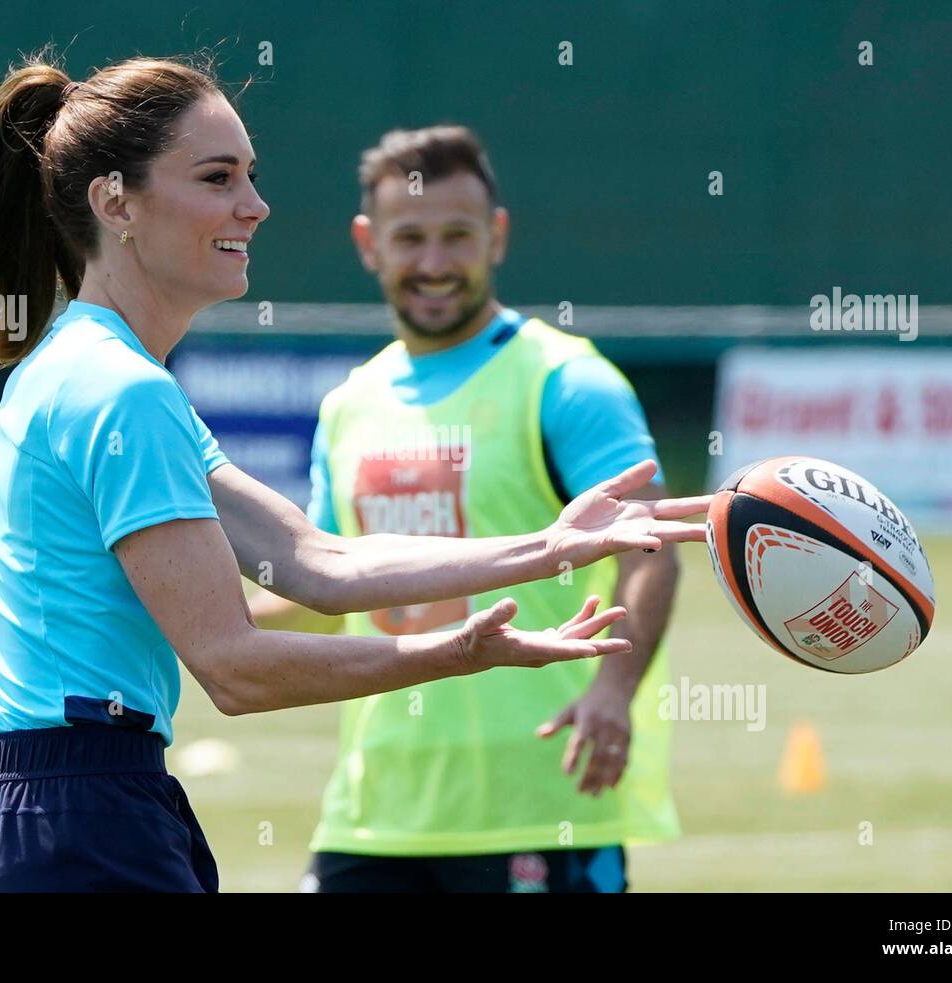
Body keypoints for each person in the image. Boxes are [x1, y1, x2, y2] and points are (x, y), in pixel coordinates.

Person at [0, 55, 710, 893]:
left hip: (18, 815)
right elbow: (234, 667)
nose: (255, 206)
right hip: (80, 825)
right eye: (218, 178)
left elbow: (318, 562)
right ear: (116, 202)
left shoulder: (86, 367)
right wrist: (453, 651)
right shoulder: (122, 390)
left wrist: (548, 548)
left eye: (251, 177)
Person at [250, 126, 684, 893]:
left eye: (457, 236)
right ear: (368, 243)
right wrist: (181, 604)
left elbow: (652, 547)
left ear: (498, 235)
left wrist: (614, 690)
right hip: (373, 816)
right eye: (410, 237)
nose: (435, 263)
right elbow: (321, 598)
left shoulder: (566, 380)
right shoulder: (348, 405)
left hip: (542, 803)